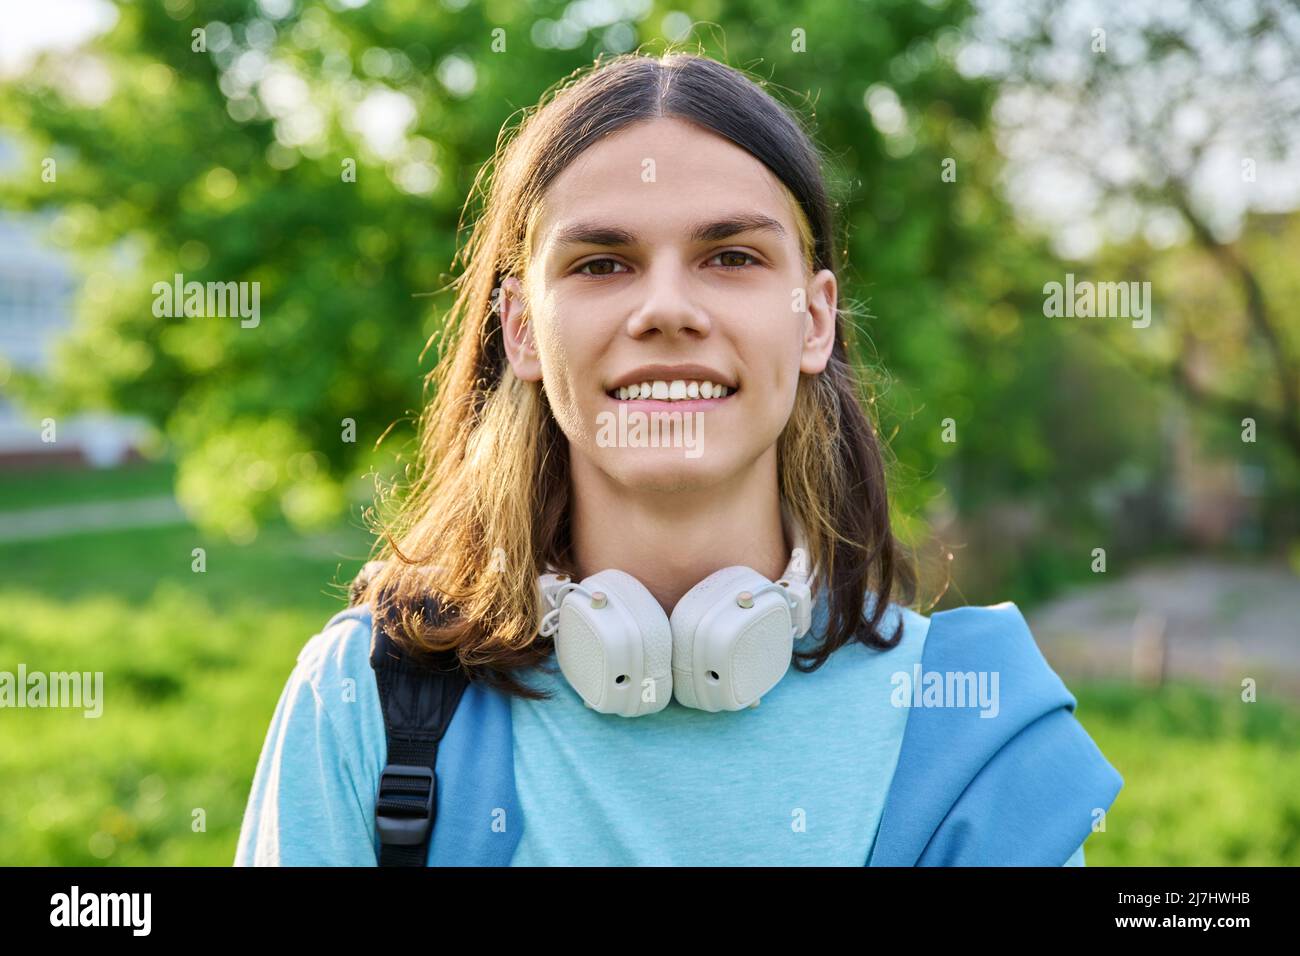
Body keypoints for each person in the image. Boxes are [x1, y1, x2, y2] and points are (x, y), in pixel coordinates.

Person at [235, 50, 1121, 867]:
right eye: (602, 264)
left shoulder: (972, 728)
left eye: (730, 257)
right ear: (521, 329)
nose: (666, 308)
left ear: (813, 320)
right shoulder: (367, 704)